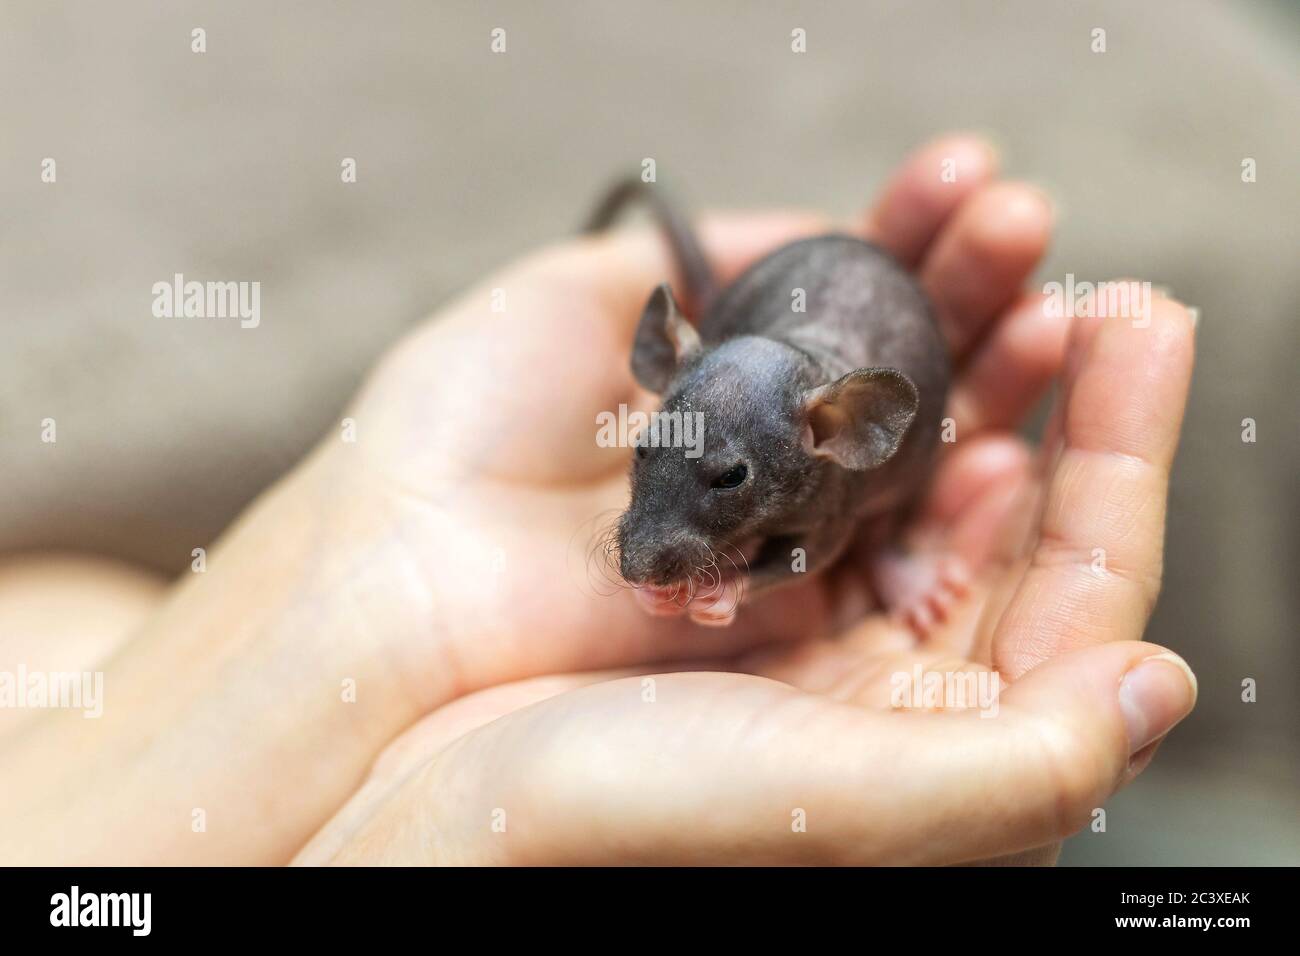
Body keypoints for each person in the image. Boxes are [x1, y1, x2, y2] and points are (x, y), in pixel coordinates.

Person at [0, 135, 1197, 865]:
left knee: (878, 524)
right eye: (651, 470)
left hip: (844, 443)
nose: (647, 542)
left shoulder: (833, 451)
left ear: (834, 434)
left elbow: (804, 539)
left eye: (719, 486)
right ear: (660, 370)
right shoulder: (707, 399)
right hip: (758, 341)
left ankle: (894, 555)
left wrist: (761, 565)